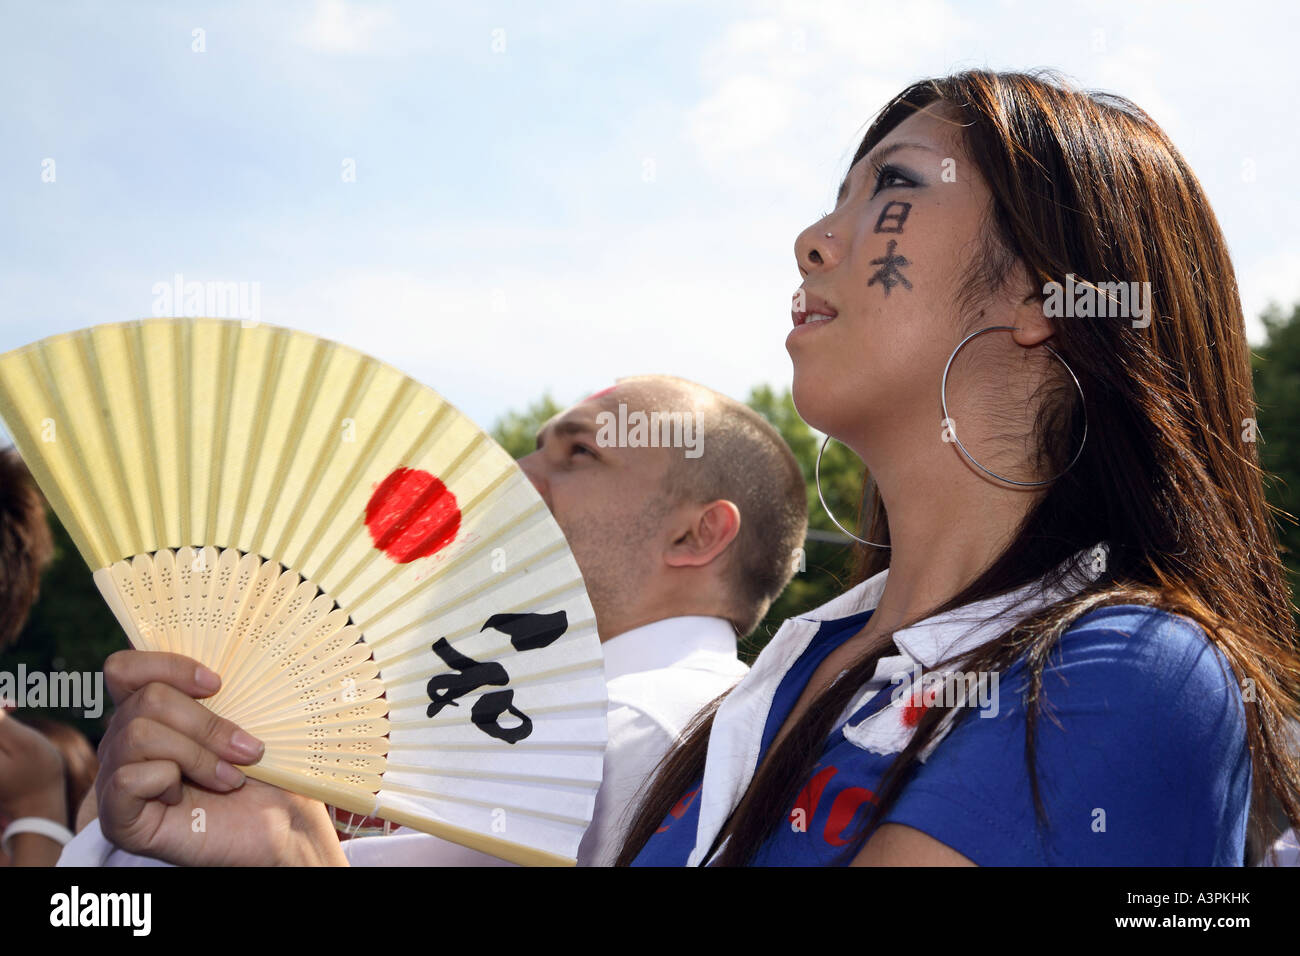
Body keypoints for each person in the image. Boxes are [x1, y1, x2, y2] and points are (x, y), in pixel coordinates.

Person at [613, 69, 1300, 866]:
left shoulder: (1131, 672)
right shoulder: (789, 670)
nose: (812, 240)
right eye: (837, 197)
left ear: (1046, 294)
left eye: (894, 183)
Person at [56, 375, 809, 866]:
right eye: (530, 448)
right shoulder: (486, 701)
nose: (511, 476)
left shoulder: (646, 734)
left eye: (579, 454)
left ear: (696, 535)